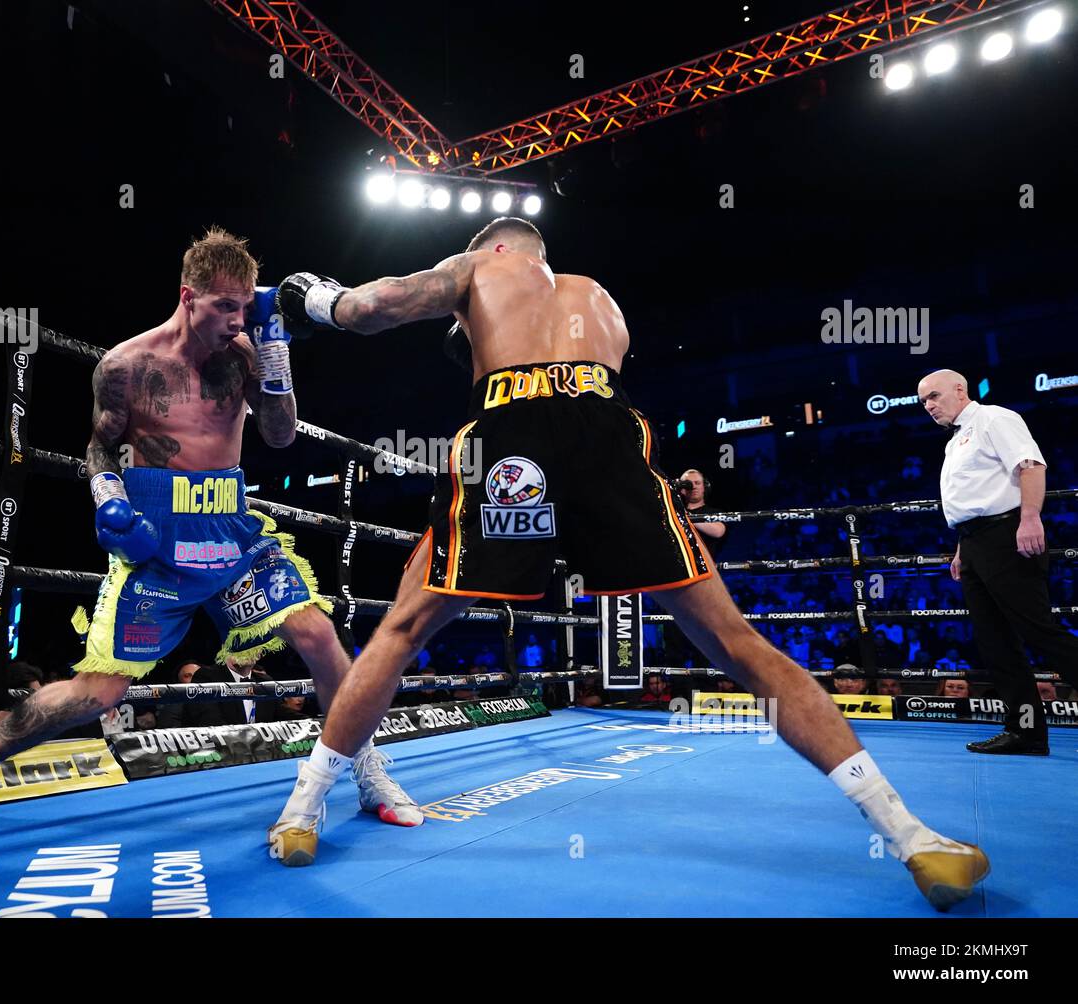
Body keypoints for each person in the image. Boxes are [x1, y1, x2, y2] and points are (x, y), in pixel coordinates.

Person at [266, 217, 987, 911]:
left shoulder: (480, 263)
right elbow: (575, 388)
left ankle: (302, 812)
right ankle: (911, 835)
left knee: (404, 626)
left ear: (493, 246)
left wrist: (313, 299)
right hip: (612, 433)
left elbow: (374, 307)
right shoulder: (601, 301)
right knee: (740, 645)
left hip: (514, 434)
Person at [0, 226, 417, 842]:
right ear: (188, 297)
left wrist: (274, 354)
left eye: (246, 304)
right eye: (224, 306)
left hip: (232, 530)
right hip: (157, 538)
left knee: (317, 633)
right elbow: (100, 448)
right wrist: (108, 498)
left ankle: (368, 768)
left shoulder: (244, 351)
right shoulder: (125, 367)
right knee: (99, 692)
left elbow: (279, 436)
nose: (238, 318)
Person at [917, 368, 1078, 756]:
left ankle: (1027, 733)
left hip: (1007, 536)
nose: (929, 406)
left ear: (960, 389)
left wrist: (1029, 517)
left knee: (1039, 631)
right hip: (974, 545)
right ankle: (1026, 733)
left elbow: (1032, 466)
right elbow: (971, 498)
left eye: (934, 396)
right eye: (924, 401)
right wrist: (962, 548)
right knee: (997, 645)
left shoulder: (995, 418)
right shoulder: (953, 443)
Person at [677, 469, 726, 558]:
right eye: (689, 484)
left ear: (704, 487)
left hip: (705, 565)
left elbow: (718, 531)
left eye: (697, 483)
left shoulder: (713, 512)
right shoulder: (675, 511)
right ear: (682, 489)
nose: (693, 487)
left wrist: (686, 517)